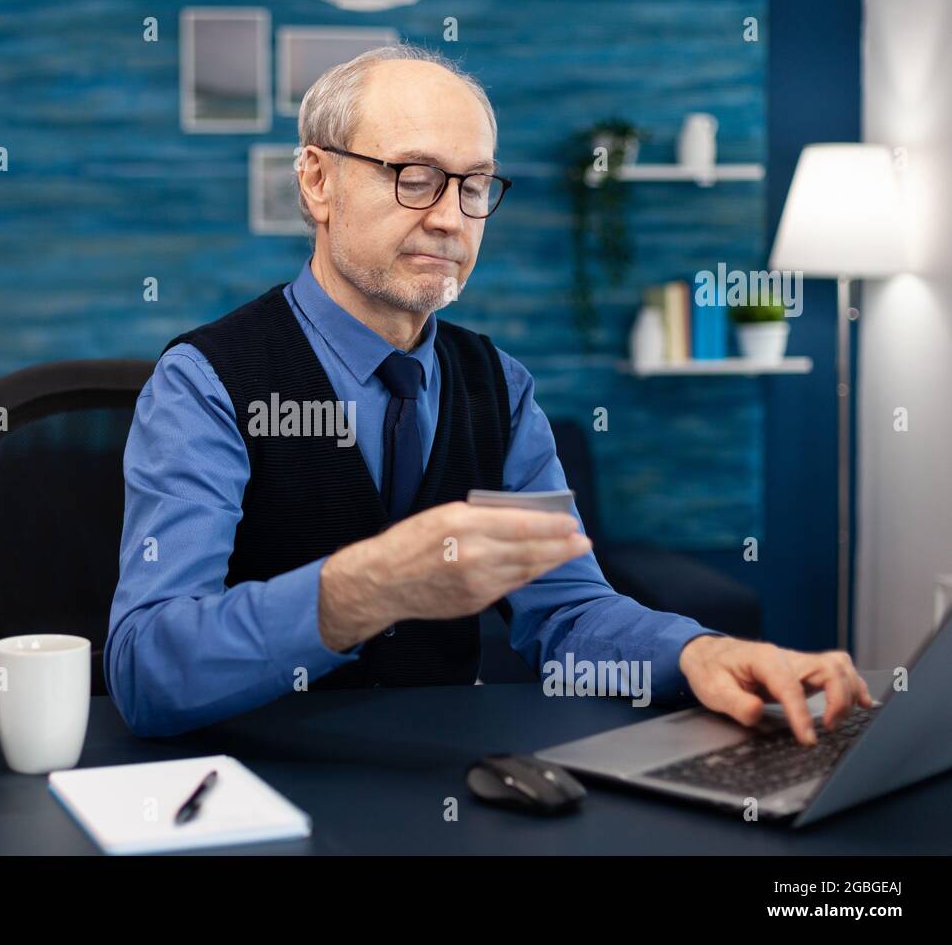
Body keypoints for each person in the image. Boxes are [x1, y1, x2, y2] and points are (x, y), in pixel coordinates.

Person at [106, 45, 871, 739]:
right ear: (317, 181)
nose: (449, 218)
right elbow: (144, 671)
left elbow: (565, 615)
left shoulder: (499, 388)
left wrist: (698, 652)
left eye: (473, 186)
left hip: (443, 786)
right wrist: (360, 589)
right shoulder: (204, 382)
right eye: (414, 177)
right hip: (254, 788)